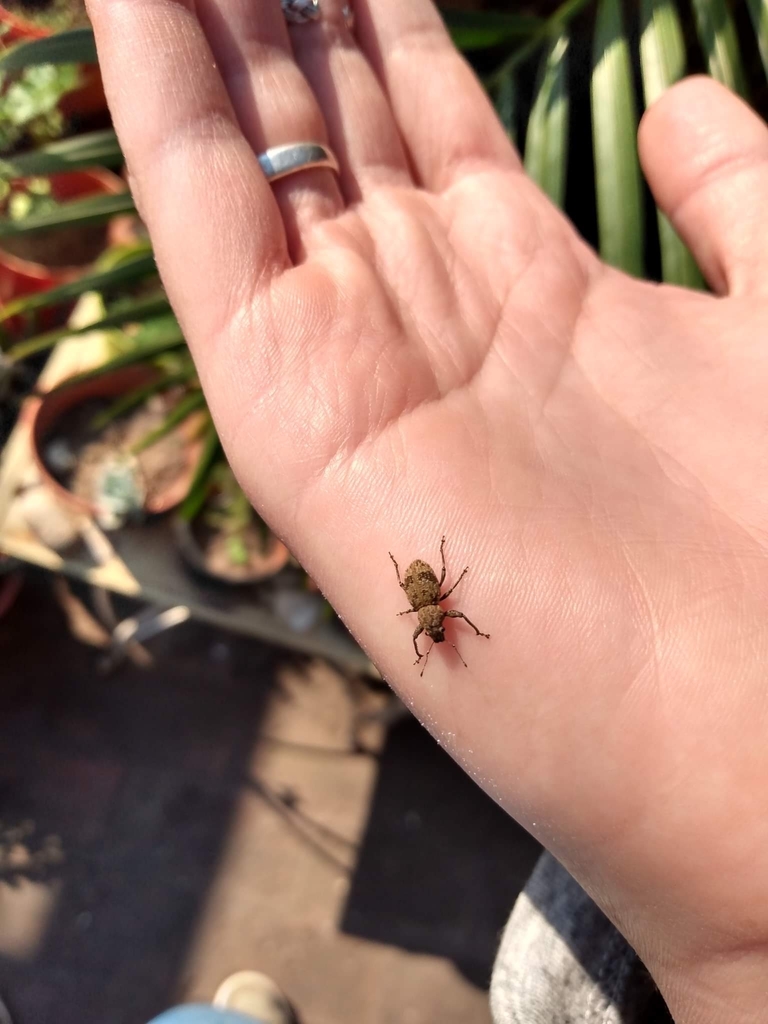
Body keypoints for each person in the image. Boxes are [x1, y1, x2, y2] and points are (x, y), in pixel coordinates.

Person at [85, 0, 768, 1019]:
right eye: (439, 623)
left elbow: (437, 599)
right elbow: (438, 599)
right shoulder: (436, 610)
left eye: (438, 621)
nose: (440, 628)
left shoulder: (435, 609)